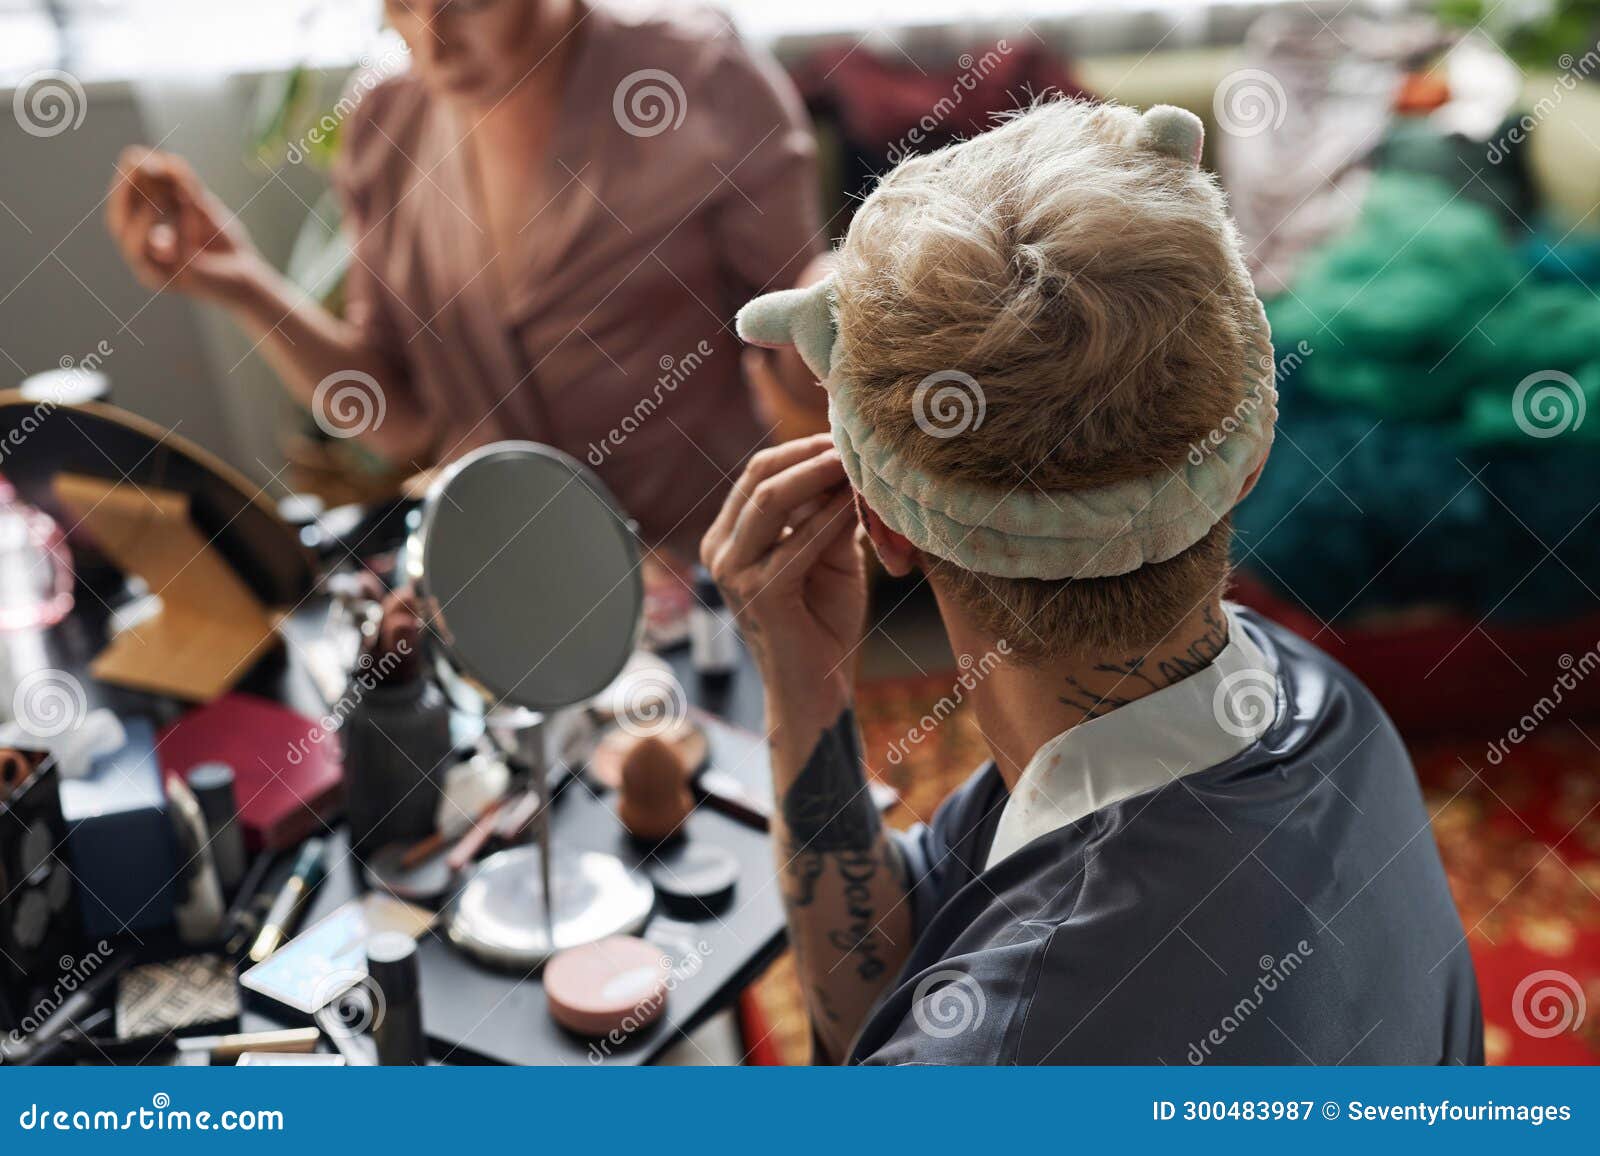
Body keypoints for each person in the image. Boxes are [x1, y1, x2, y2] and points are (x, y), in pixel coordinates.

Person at [701, 100, 1482, 1065]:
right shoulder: (1323, 708)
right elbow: (905, 978)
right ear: (1249, 456)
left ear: (884, 527)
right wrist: (806, 687)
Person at [104, 0, 821, 557]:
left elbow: (806, 351)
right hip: (498, 576)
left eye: (471, 1)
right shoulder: (386, 125)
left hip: (706, 561)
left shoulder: (698, 82)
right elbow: (402, 421)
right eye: (402, 1)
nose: (432, 40)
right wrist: (243, 285)